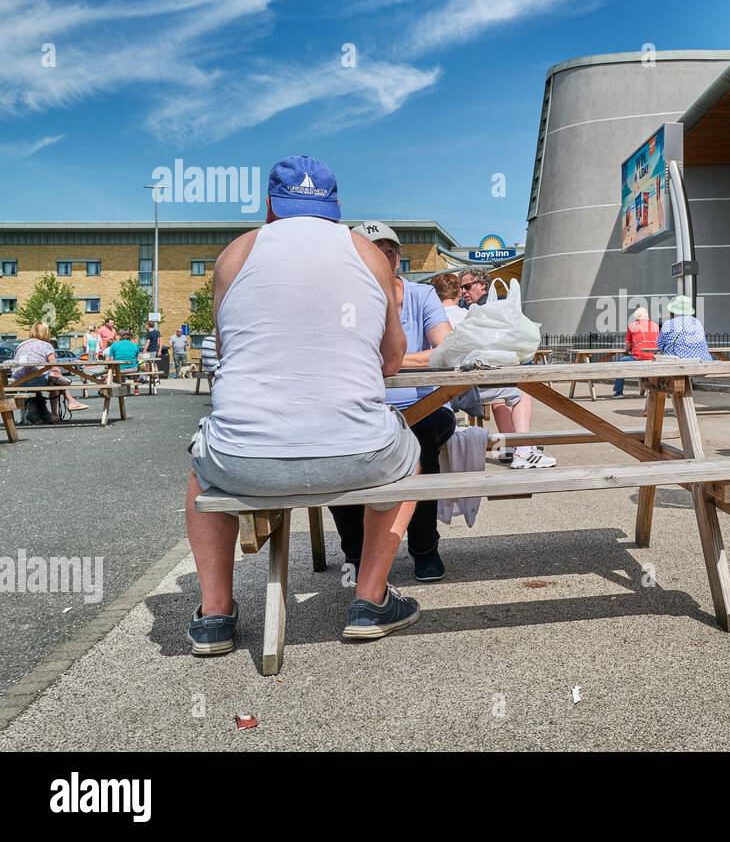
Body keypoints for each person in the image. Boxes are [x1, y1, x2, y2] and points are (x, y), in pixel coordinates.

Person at [183, 155, 423, 658]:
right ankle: (370, 600)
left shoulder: (236, 254)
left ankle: (216, 616)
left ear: (271, 206)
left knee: (200, 471)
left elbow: (228, 354)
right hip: (358, 458)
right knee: (411, 454)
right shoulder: (368, 253)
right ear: (334, 208)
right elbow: (394, 358)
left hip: (246, 463)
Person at [330, 221, 457, 584]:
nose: (381, 259)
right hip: (366, 407)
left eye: (388, 252)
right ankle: (355, 553)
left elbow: (446, 351)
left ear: (398, 258)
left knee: (420, 436)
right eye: (370, 252)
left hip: (426, 405)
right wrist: (417, 358)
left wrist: (385, 360)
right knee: (338, 449)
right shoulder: (345, 301)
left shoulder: (422, 295)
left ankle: (424, 549)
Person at [442, 272, 555, 469]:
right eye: (461, 288)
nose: (463, 292)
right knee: (521, 390)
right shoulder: (476, 312)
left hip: (451, 385)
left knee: (500, 395)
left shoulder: (467, 311)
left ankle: (511, 446)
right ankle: (522, 449)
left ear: (483, 285)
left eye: (467, 287)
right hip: (467, 385)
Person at [12, 322, 90, 420]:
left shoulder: (21, 345)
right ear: (45, 332)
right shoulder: (46, 345)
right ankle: (57, 413)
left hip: (19, 382)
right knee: (55, 381)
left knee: (47, 376)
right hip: (37, 380)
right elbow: (55, 367)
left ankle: (68, 403)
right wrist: (62, 381)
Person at [612, 307, 658, 398]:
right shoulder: (655, 325)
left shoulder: (632, 326)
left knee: (620, 363)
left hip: (639, 357)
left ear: (636, 317)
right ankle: (644, 390)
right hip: (654, 358)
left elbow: (628, 346)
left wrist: (628, 351)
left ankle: (618, 392)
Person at [656, 295, 711, 361]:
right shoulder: (697, 322)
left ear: (672, 311)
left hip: (680, 366)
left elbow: (660, 345)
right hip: (704, 363)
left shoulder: (668, 324)